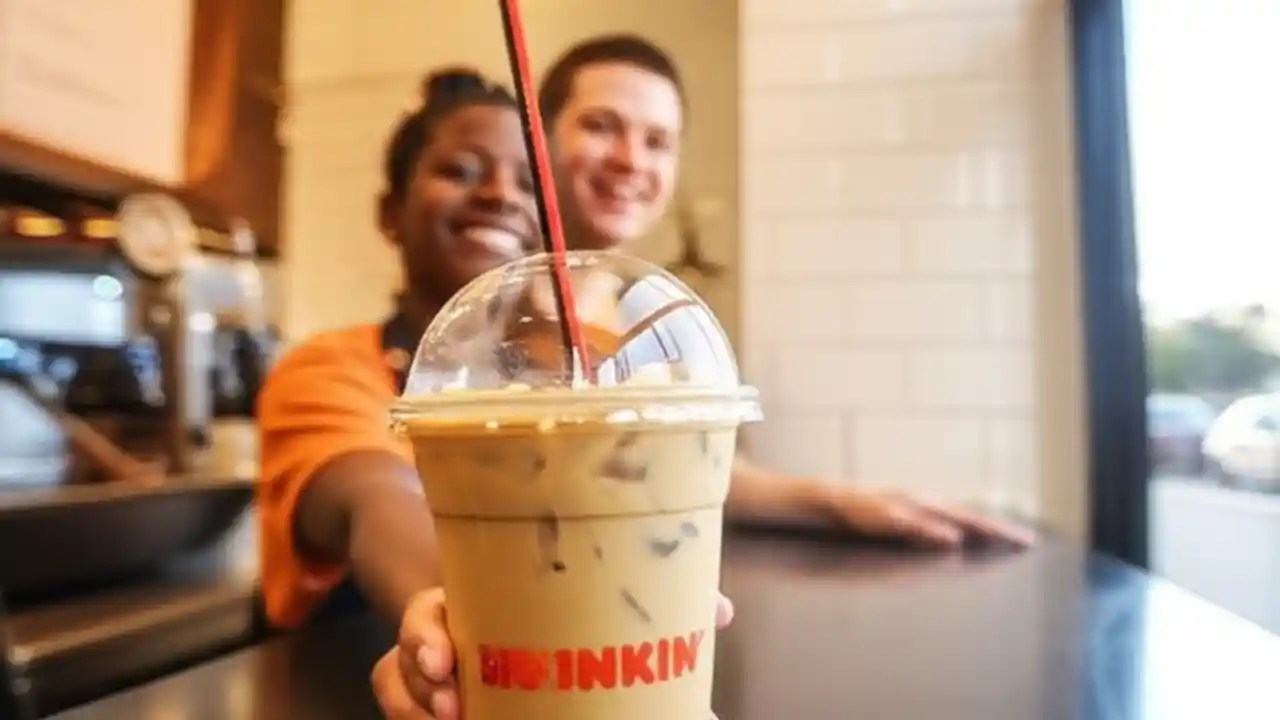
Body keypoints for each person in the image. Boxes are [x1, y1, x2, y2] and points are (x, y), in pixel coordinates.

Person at [261, 44, 1034, 720]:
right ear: (390, 212)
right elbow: (382, 500)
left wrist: (839, 502)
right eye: (460, 172)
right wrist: (462, 616)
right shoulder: (325, 371)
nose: (499, 195)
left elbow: (647, 474)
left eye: (524, 183)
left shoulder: (565, 375)